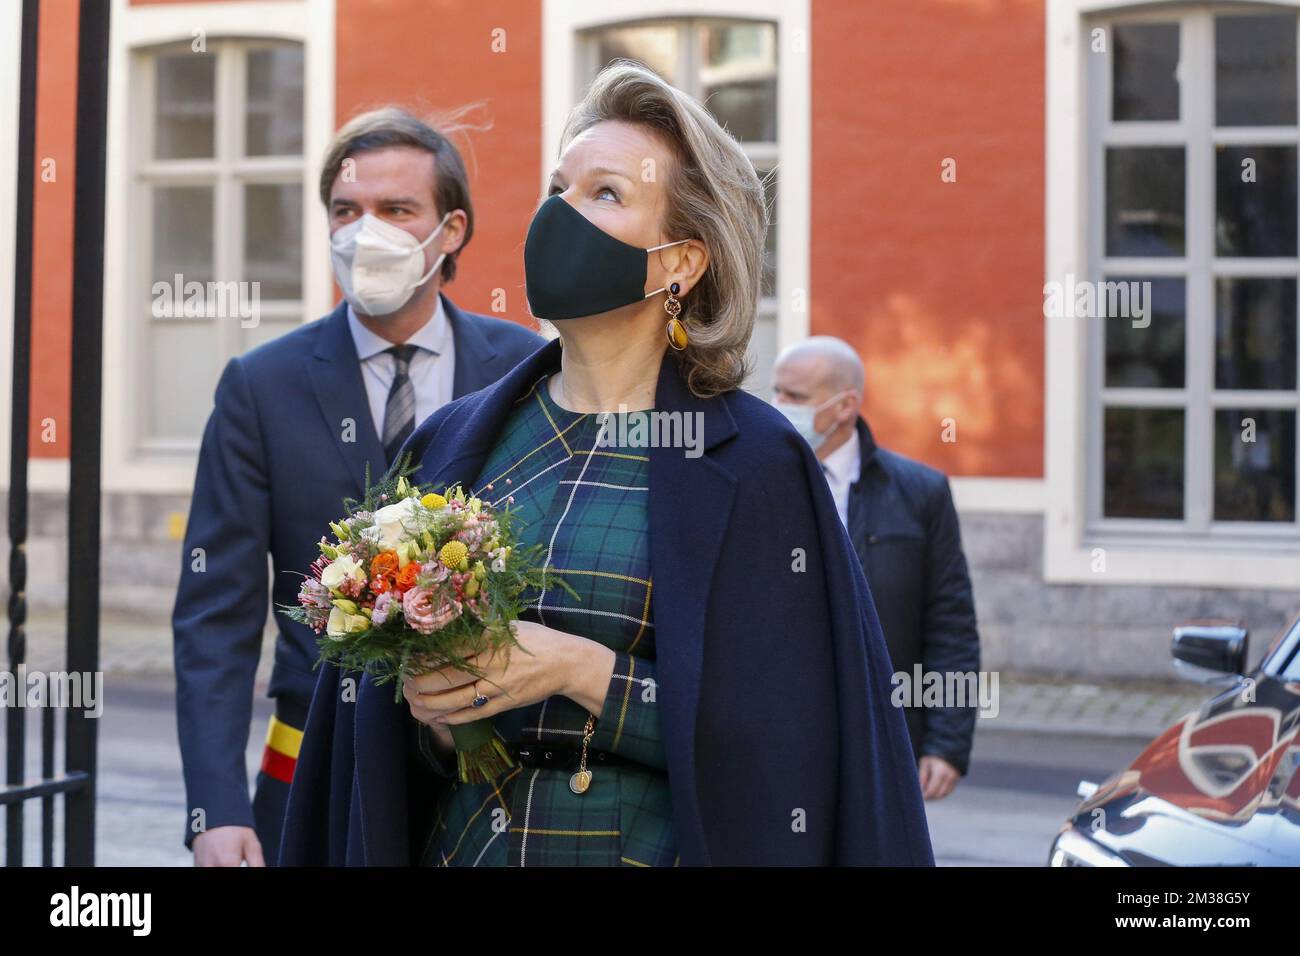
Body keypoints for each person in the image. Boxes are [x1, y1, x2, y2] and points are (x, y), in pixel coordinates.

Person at [279, 62, 933, 866]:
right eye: (559, 189)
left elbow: (784, 739)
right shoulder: (451, 440)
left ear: (680, 262)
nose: (560, 214)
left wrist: (581, 671)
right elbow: (376, 754)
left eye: (606, 194)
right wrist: (441, 719)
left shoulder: (757, 464)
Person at [173, 107, 545, 867]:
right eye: (346, 210)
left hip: (492, 780)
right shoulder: (261, 386)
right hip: (313, 776)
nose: (363, 232)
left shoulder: (524, 368)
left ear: (452, 230)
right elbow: (216, 615)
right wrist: (215, 808)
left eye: (396, 209)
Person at [772, 337, 981, 801]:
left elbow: (951, 623)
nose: (779, 406)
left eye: (795, 397)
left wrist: (946, 744)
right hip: (781, 732)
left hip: (883, 730)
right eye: (777, 392)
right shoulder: (757, 483)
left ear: (845, 406)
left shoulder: (920, 493)